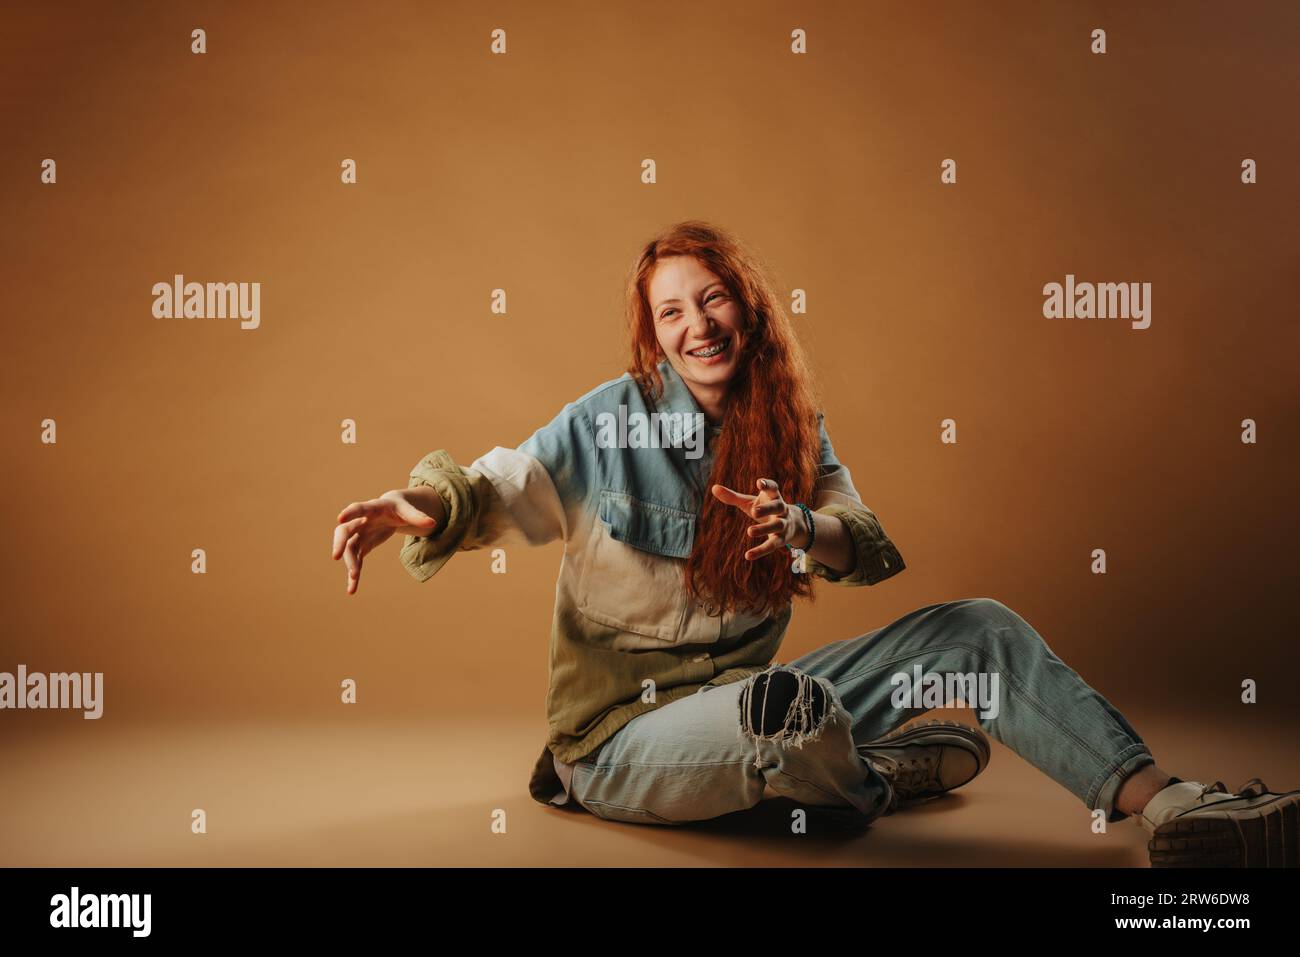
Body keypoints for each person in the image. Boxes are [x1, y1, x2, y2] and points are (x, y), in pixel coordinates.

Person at [331, 220, 1298, 868]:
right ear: (652, 335)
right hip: (621, 744)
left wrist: (801, 526)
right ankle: (873, 775)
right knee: (783, 711)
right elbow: (499, 484)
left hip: (759, 701)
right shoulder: (606, 424)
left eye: (710, 299)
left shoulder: (791, 429)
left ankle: (1177, 809)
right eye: (671, 311)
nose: (696, 324)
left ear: (746, 306)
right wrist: (417, 504)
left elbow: (862, 542)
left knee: (976, 629)